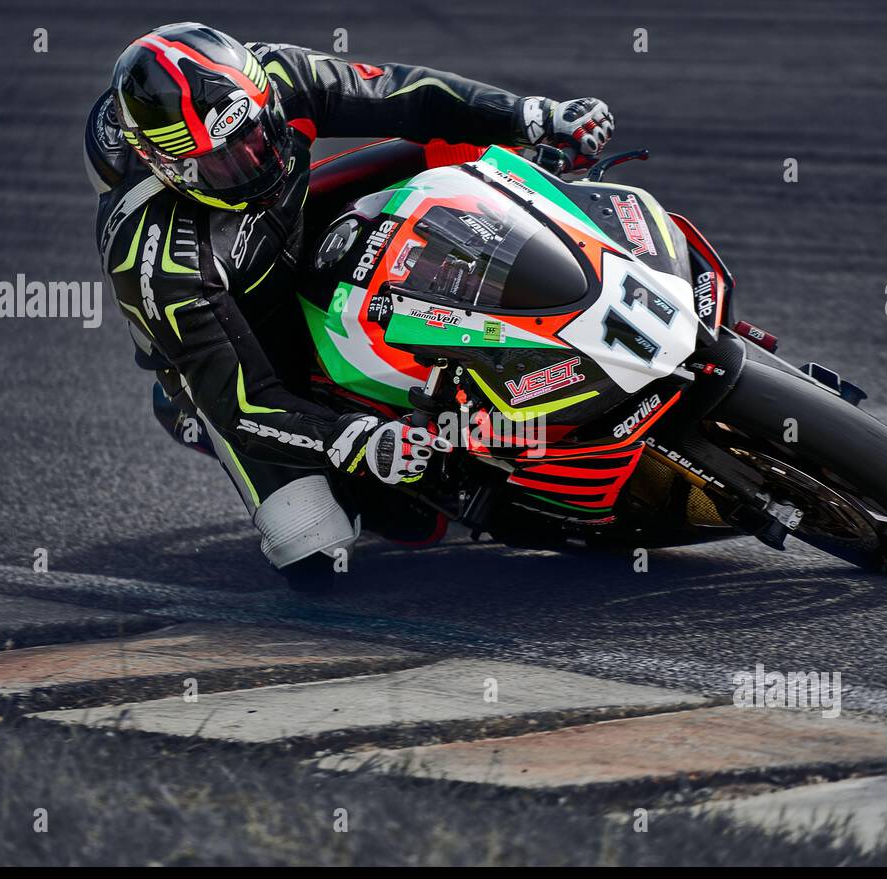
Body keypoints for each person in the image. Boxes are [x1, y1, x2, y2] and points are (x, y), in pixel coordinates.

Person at [84, 21, 614, 587]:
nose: (256, 159)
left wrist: (532, 115)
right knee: (317, 548)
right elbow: (242, 403)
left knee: (468, 143)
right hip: (235, 355)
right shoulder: (157, 260)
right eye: (226, 160)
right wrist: (351, 438)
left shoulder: (278, 77)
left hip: (295, 226)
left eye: (260, 132)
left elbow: (405, 93)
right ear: (172, 168)